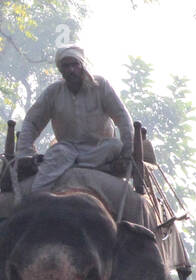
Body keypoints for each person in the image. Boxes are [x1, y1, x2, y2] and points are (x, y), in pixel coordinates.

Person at [16, 45, 136, 192]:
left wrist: (127, 154)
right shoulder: (53, 92)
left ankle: (74, 164)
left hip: (99, 150)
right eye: (66, 66)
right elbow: (32, 122)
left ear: (82, 66)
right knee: (46, 173)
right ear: (61, 70)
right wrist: (25, 153)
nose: (71, 70)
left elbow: (123, 118)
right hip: (66, 150)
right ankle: (35, 199)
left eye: (75, 64)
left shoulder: (101, 86)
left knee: (114, 145)